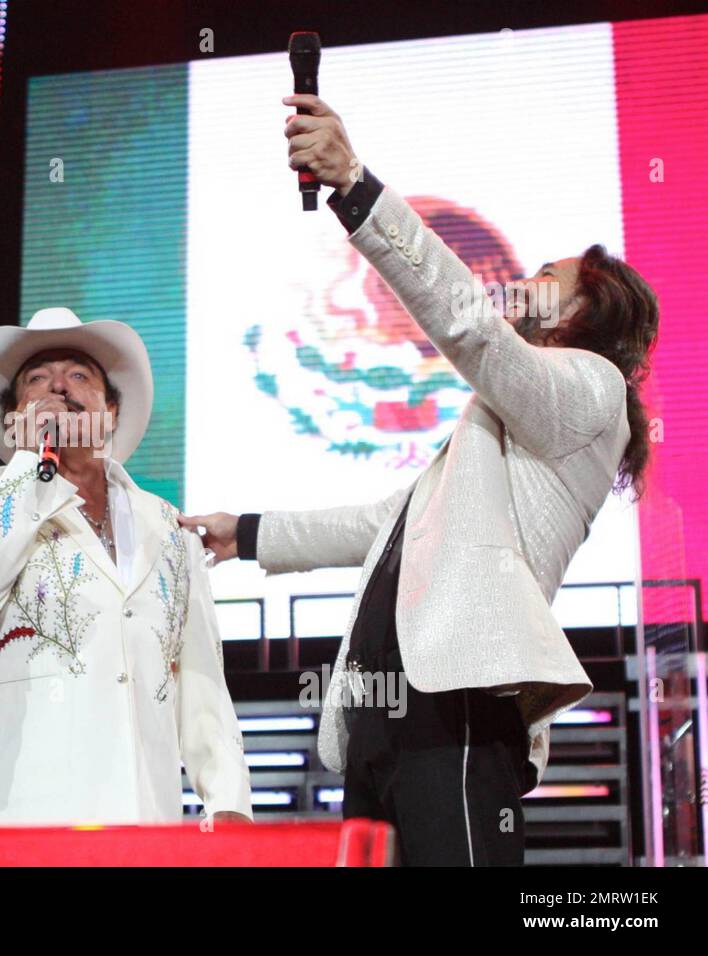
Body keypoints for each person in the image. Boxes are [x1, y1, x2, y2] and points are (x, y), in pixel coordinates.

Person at [184, 94, 659, 865]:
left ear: (587, 316)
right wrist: (247, 534)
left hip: (460, 704)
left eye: (545, 277)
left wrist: (354, 184)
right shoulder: (494, 431)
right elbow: (384, 523)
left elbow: (469, 323)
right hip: (387, 718)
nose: (522, 285)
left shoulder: (591, 390)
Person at [0, 308, 252, 825]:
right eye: (37, 379)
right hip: (21, 819)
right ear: (13, 417)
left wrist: (229, 801)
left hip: (145, 820)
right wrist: (32, 462)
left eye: (79, 375)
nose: (59, 386)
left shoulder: (169, 529)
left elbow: (201, 679)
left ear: (112, 410)